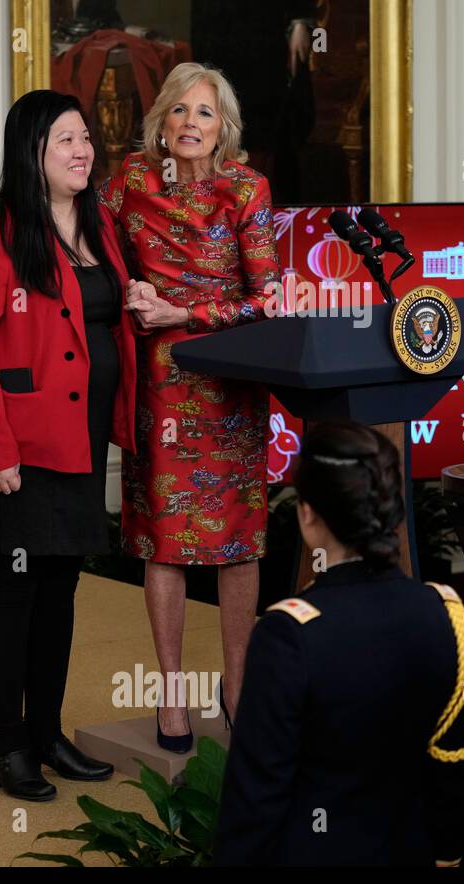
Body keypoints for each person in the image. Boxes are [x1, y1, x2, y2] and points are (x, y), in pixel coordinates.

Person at [0, 90, 143, 800]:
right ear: (31, 150)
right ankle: (6, 744)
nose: (82, 150)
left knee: (60, 588)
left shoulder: (101, 224)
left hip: (79, 441)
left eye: (85, 137)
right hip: (12, 449)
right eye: (65, 139)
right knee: (12, 589)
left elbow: (103, 316)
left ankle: (48, 731)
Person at [97, 62, 281, 751]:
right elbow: (94, 263)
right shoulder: (129, 183)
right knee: (164, 543)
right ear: (161, 122)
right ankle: (170, 699)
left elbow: (266, 300)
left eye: (204, 113)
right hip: (161, 385)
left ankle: (237, 690)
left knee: (239, 544)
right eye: (179, 111)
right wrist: (132, 297)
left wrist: (184, 309)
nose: (190, 124)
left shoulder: (246, 187)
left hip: (231, 382)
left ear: (222, 127)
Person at [215, 422, 464, 866]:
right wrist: (447, 858)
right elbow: (454, 764)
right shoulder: (446, 615)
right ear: (393, 509)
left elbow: (254, 803)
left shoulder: (288, 635)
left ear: (307, 514)